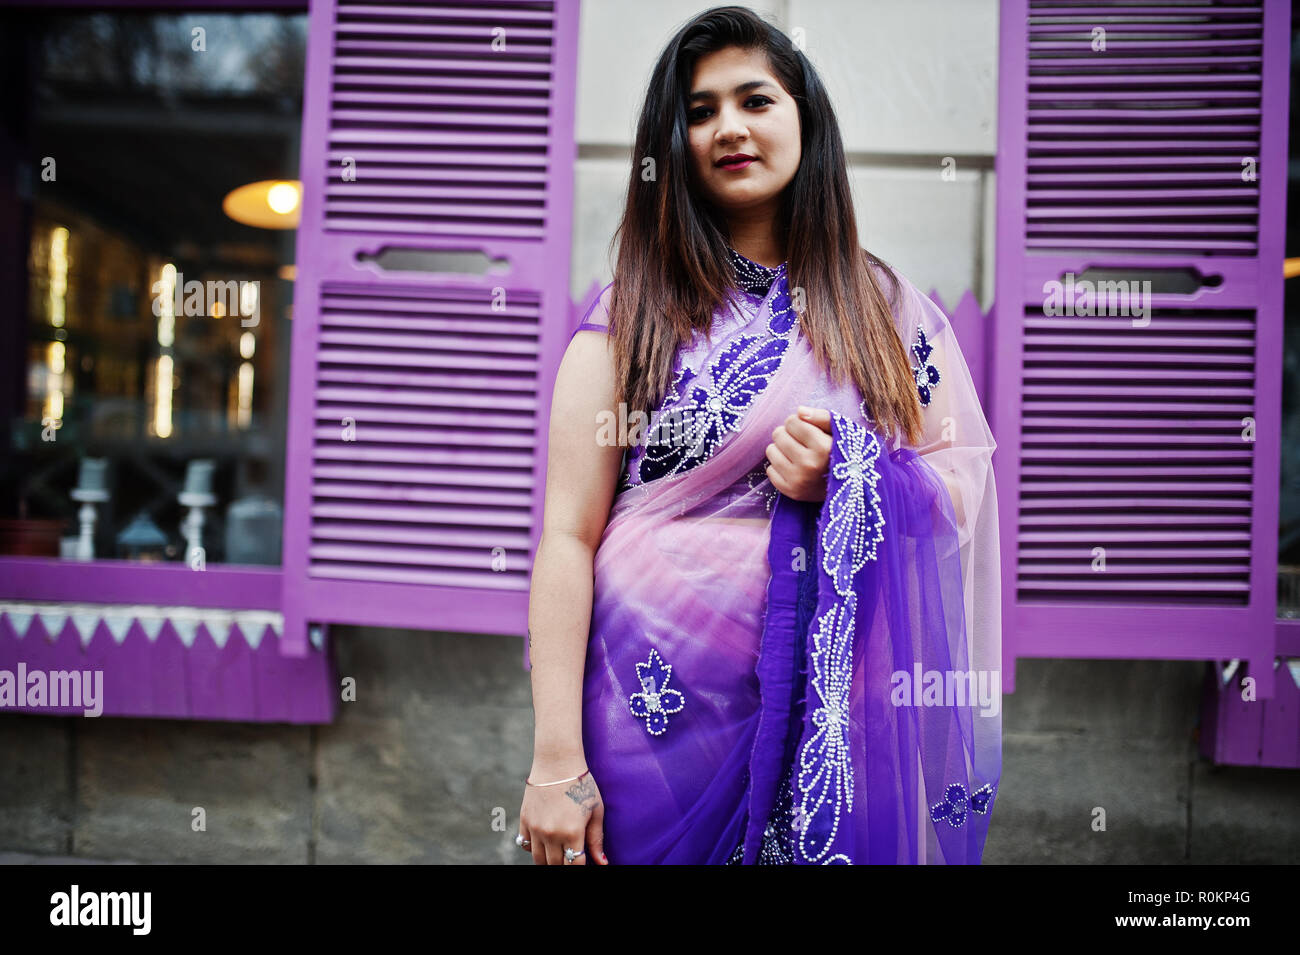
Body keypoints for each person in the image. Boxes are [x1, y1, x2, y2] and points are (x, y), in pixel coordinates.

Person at [518, 5, 1001, 865]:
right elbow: (565, 538)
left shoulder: (884, 314)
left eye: (755, 100)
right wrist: (556, 761)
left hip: (829, 726)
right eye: (698, 112)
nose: (728, 128)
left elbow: (959, 482)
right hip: (643, 735)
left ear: (805, 123)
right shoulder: (627, 320)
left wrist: (849, 475)